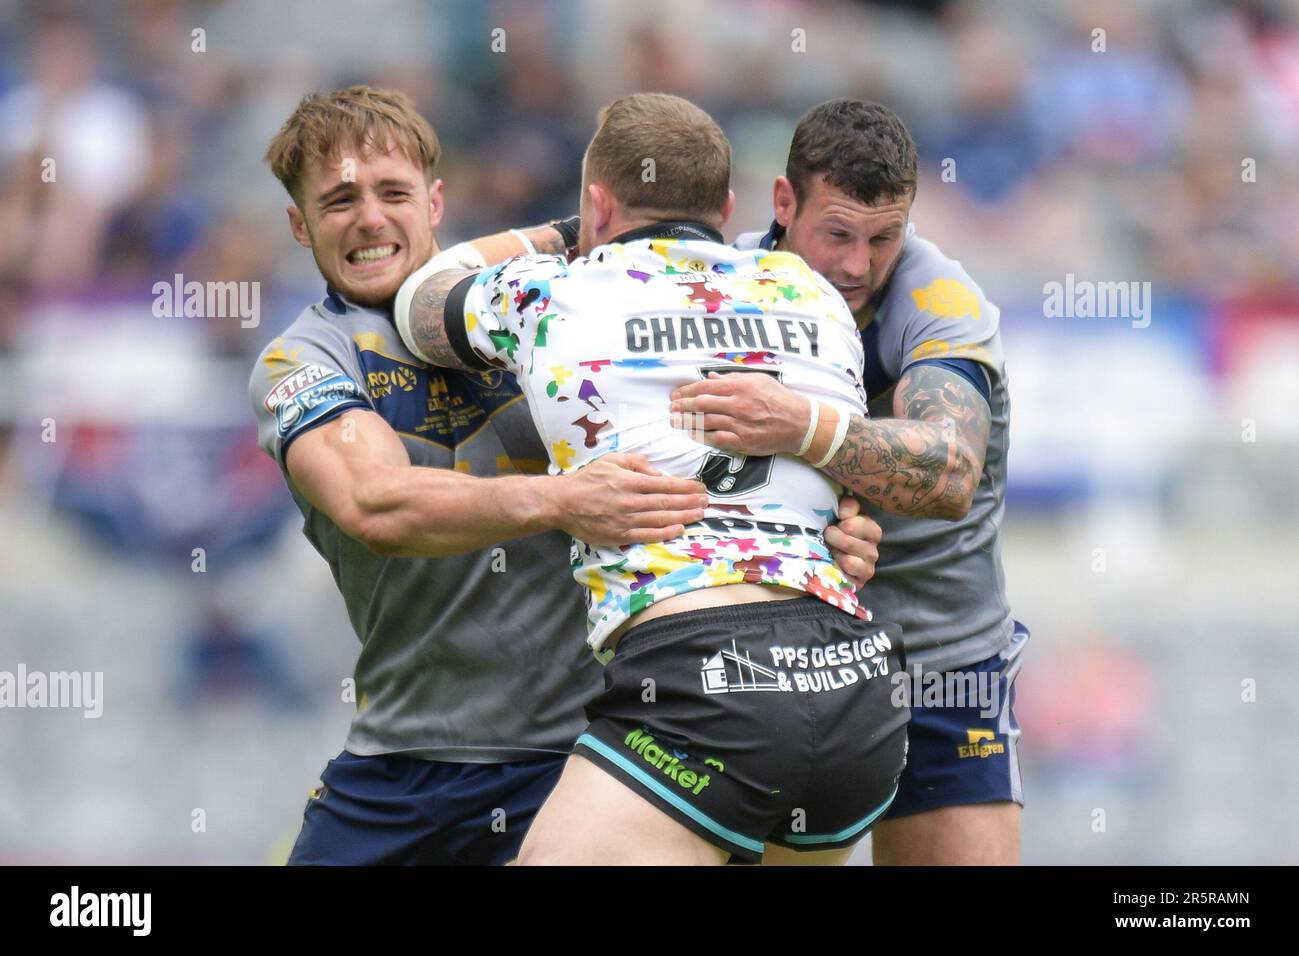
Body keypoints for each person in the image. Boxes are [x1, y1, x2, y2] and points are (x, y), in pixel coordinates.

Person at [249, 86, 883, 865]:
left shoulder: (548, 316)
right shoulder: (308, 357)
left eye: (393, 193)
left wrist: (829, 526)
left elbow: (729, 446)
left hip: (598, 750)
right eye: (339, 200)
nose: (371, 219)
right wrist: (564, 499)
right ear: (298, 223)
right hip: (403, 760)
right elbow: (376, 501)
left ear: (435, 201)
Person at [671, 98, 1027, 865]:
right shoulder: (721, 286)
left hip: (939, 666)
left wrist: (799, 427)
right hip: (779, 657)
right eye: (837, 234)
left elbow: (950, 470)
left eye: (884, 237)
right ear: (782, 203)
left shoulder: (939, 300)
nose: (859, 265)